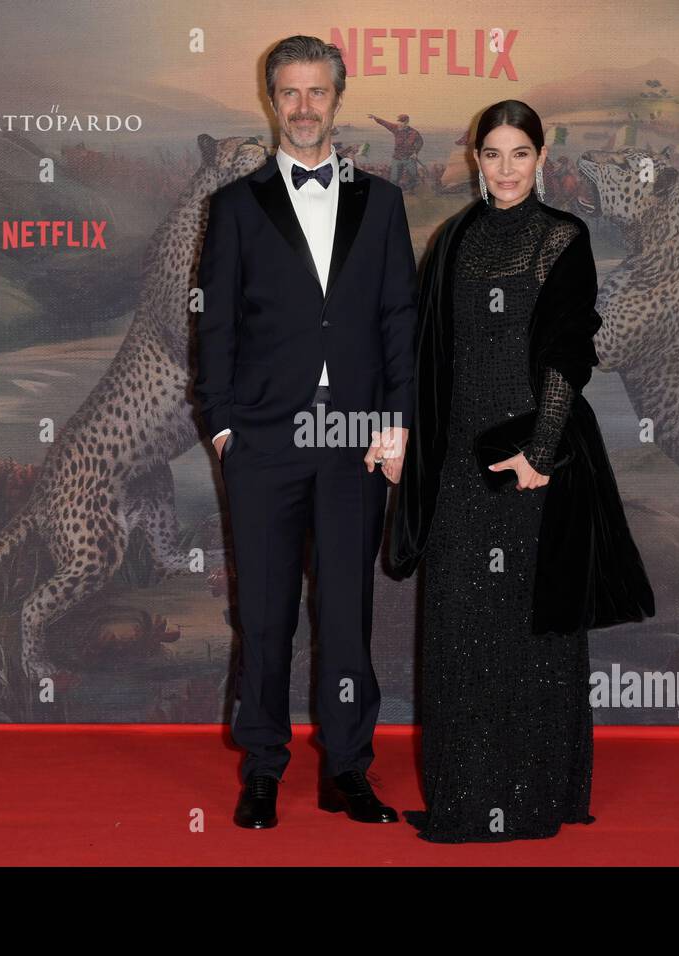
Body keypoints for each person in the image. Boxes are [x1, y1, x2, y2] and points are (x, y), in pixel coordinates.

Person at [388, 100, 655, 843]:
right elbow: (421, 350)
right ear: (477, 157)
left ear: (541, 158)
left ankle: (532, 796)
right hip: (456, 459)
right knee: (457, 627)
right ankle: (465, 795)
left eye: (520, 154)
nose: (505, 169)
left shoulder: (561, 238)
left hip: (531, 454)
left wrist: (540, 452)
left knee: (530, 628)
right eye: (493, 153)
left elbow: (571, 348)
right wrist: (407, 439)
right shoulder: (453, 238)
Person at [195, 36, 418, 829]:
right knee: (262, 613)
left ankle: (349, 770)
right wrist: (222, 428)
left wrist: (397, 423)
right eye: (288, 93)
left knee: (347, 614)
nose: (302, 107)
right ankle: (261, 767)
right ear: (271, 100)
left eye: (316, 92)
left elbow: (400, 319)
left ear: (338, 97)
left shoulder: (383, 202)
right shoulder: (234, 207)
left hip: (356, 435)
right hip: (262, 434)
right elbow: (214, 327)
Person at [369, 113, 424, 185]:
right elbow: (385, 123)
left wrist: (415, 153)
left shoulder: (414, 132)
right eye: (399, 121)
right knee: (394, 178)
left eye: (402, 122)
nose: (400, 123)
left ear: (407, 122)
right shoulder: (395, 128)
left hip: (409, 158)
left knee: (413, 175)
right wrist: (375, 117)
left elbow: (420, 142)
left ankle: (411, 190)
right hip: (397, 158)